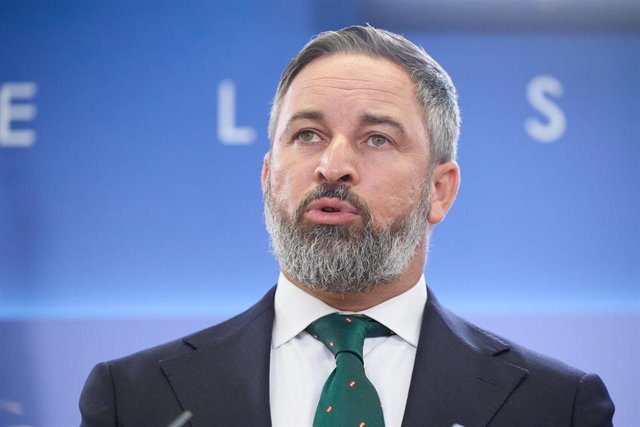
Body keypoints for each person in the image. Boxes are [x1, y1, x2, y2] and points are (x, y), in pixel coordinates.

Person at [79, 25, 615, 427]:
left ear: (439, 189)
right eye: (308, 134)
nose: (333, 165)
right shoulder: (134, 397)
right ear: (268, 176)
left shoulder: (555, 405)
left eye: (376, 138)